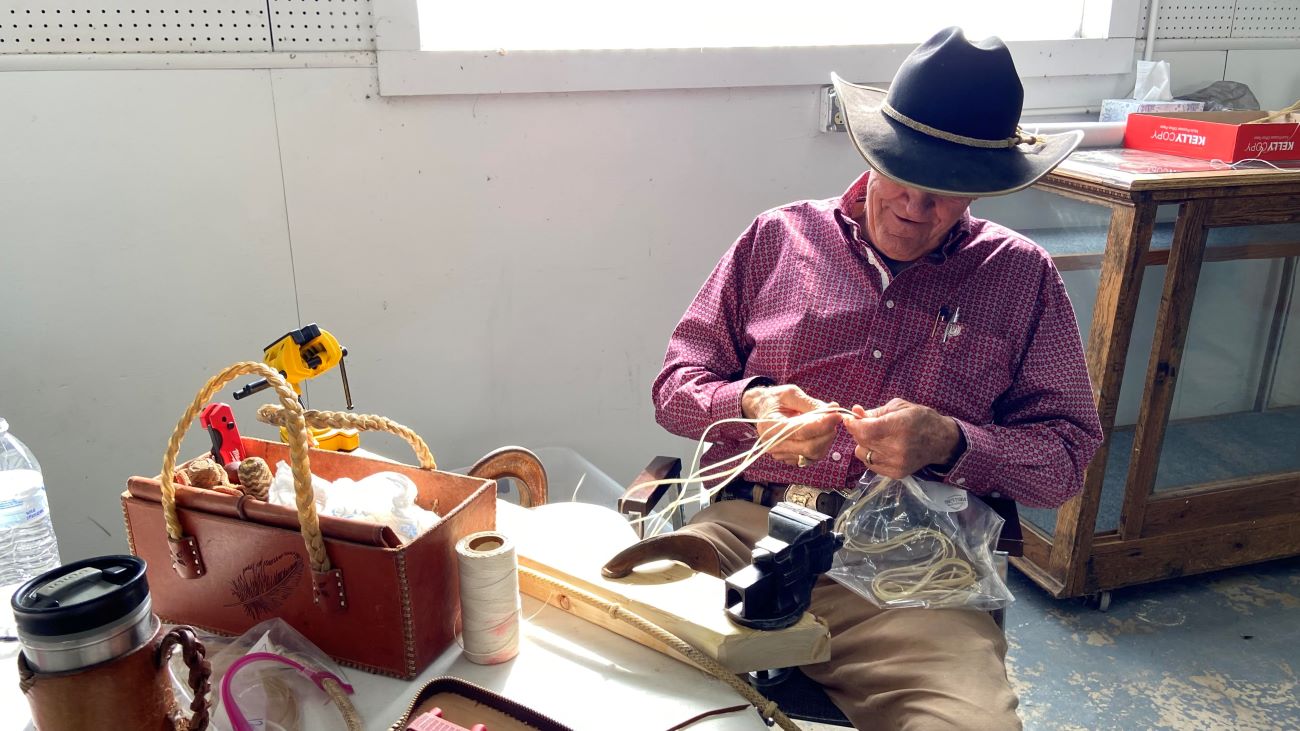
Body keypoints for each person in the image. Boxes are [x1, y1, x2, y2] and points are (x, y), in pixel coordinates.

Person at [649, 27, 1104, 730]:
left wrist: (951, 443)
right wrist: (752, 402)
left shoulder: (1022, 279)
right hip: (745, 527)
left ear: (984, 188)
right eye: (904, 177)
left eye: (946, 194)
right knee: (608, 651)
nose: (916, 208)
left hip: (914, 565)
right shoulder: (778, 238)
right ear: (872, 150)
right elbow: (675, 385)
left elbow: (1066, 462)